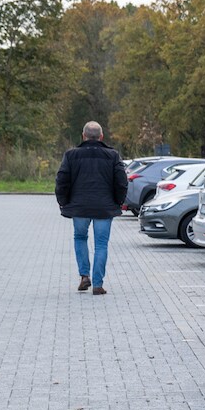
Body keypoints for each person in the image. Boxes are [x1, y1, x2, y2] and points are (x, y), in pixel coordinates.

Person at [55, 121, 128, 295]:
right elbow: (121, 182)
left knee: (80, 237)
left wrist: (63, 201)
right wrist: (118, 202)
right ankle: (97, 284)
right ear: (101, 137)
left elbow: (62, 180)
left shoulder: (71, 155)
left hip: (79, 207)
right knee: (101, 244)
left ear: (83, 136)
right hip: (104, 207)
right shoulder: (112, 155)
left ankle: (84, 276)